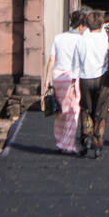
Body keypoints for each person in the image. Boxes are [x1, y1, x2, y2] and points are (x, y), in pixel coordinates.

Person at [75, 10, 109, 159]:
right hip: (103, 79)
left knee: (86, 109)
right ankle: (98, 144)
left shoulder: (82, 39)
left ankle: (86, 138)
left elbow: (76, 60)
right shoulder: (107, 39)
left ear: (87, 24)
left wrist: (73, 81)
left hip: (85, 78)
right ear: (102, 24)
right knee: (101, 112)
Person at [42, 10, 85, 154]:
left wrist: (47, 79)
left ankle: (59, 141)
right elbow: (79, 61)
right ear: (81, 25)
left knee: (60, 111)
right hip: (71, 77)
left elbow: (52, 60)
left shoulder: (58, 38)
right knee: (73, 110)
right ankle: (68, 143)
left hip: (57, 76)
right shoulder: (80, 40)